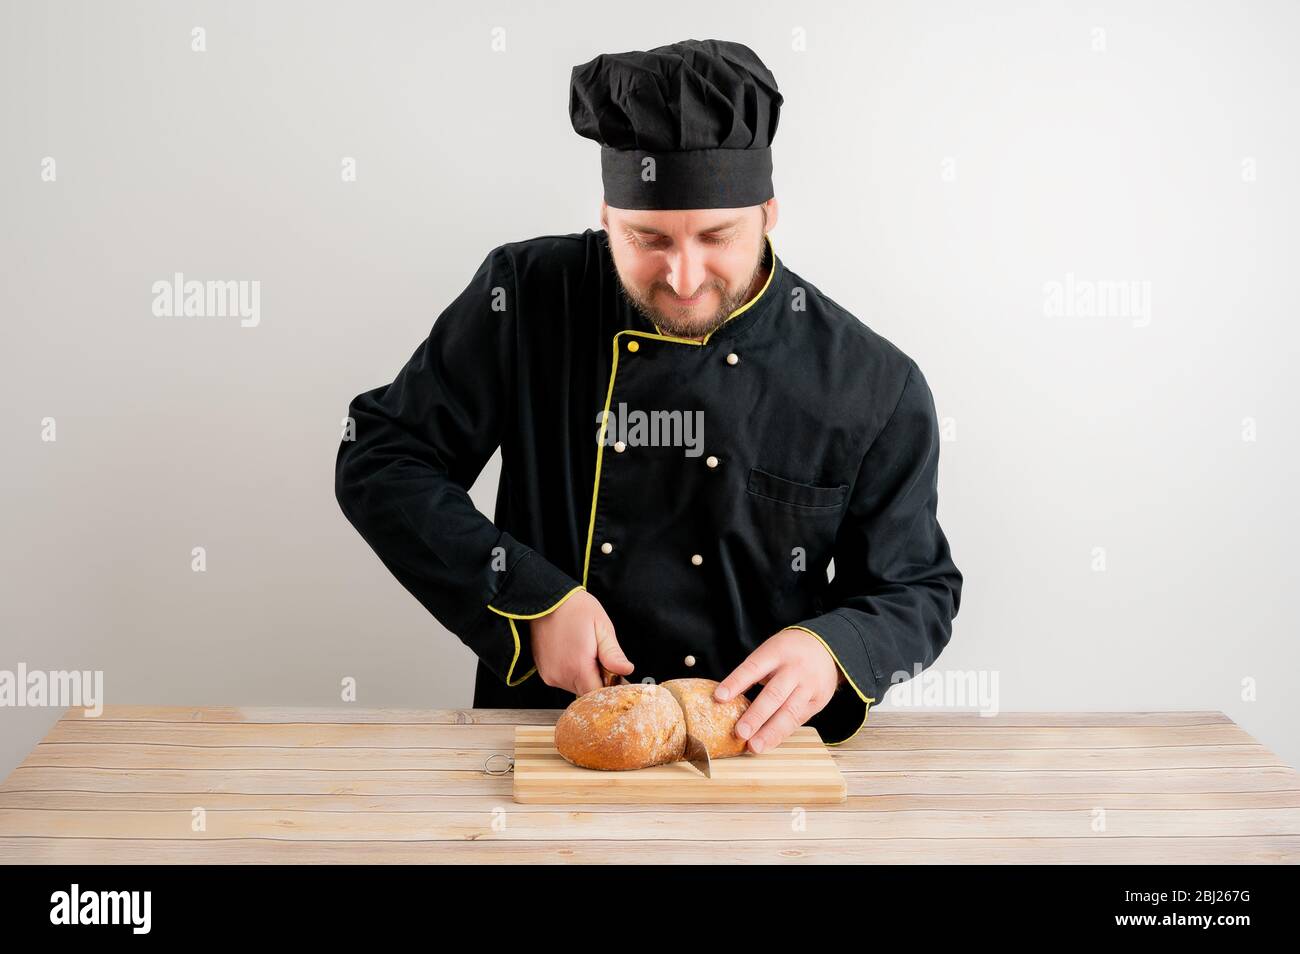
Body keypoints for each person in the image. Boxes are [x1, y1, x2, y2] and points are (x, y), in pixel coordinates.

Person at [335, 38, 962, 749]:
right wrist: (530, 599)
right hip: (553, 739)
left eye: (717, 237)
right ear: (607, 215)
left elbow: (917, 588)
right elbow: (381, 457)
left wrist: (834, 648)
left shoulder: (870, 381)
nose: (685, 277)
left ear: (769, 212)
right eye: (648, 239)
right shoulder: (528, 298)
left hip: (752, 758)